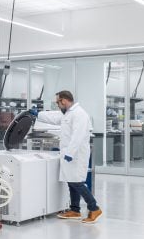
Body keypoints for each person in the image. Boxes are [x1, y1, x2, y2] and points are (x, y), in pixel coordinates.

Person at [30, 90, 103, 224]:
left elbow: (78, 136)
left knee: (77, 182)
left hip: (76, 154)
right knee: (71, 181)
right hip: (69, 154)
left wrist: (70, 153)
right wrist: (38, 114)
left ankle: (94, 208)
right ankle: (75, 210)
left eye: (58, 102)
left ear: (64, 100)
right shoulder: (68, 113)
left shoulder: (79, 114)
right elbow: (54, 118)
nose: (57, 105)